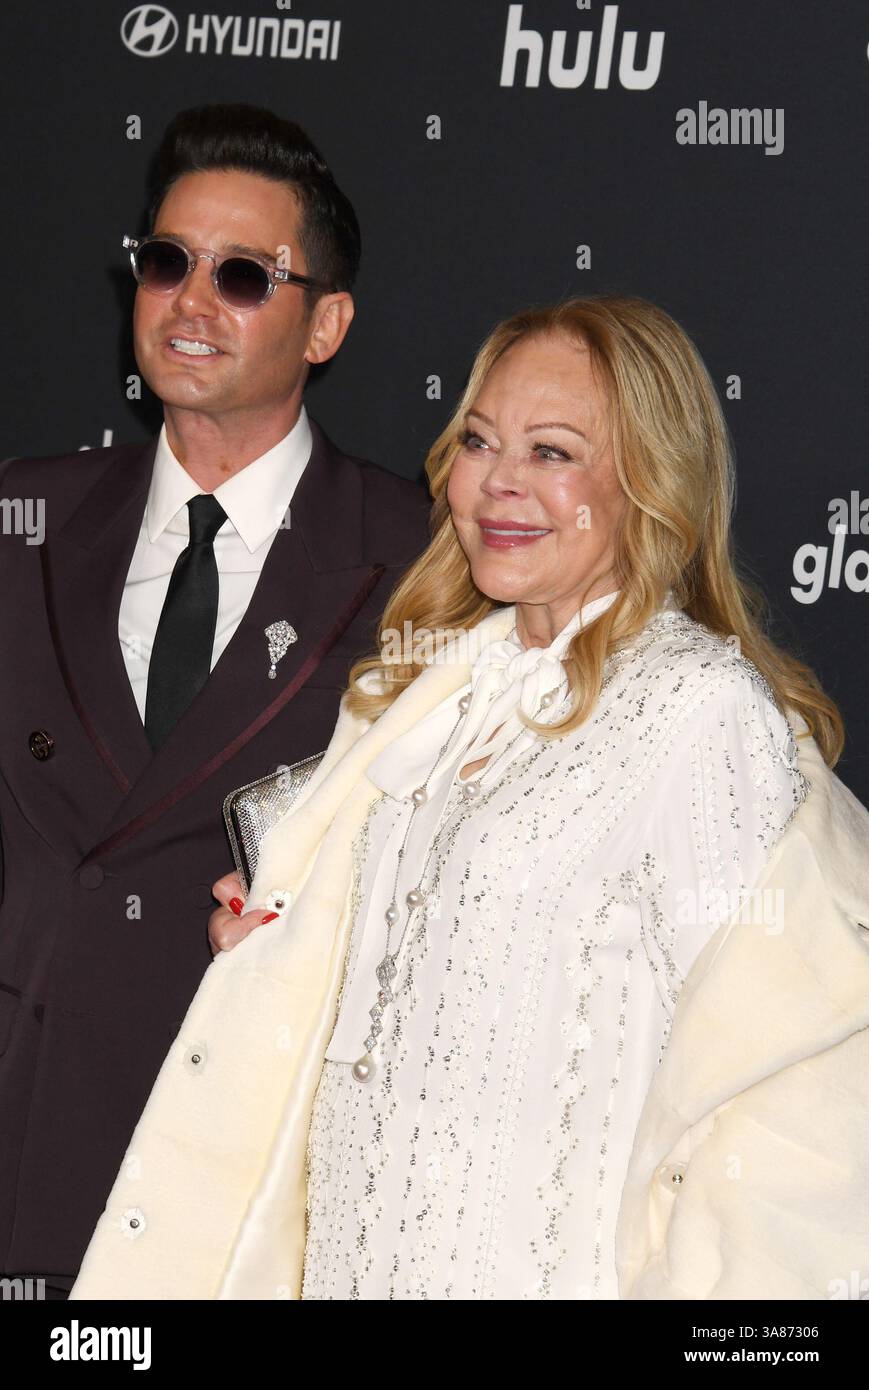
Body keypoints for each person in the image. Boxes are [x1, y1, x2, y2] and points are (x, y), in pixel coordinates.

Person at [70, 296, 869, 1301]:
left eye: (552, 452)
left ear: (649, 480)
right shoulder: (436, 694)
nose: (498, 482)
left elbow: (788, 1086)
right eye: (480, 440)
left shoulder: (695, 712)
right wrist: (291, 934)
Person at [0, 103, 431, 1298]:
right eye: (165, 261)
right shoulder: (19, 520)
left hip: (238, 1181)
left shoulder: (424, 564)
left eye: (243, 275)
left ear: (326, 323)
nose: (191, 301)